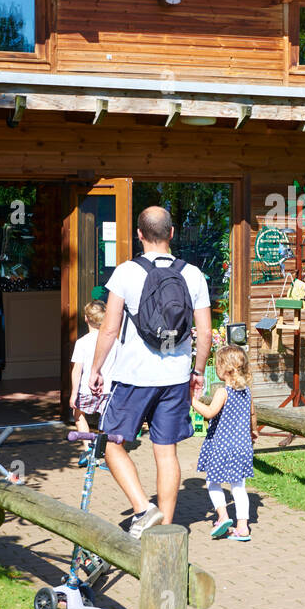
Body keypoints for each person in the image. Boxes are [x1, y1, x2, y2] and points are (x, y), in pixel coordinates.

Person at [88, 205, 211, 538]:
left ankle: (144, 508)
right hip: (174, 377)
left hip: (133, 378)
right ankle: (165, 532)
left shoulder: (126, 273)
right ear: (171, 233)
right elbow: (205, 331)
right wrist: (197, 371)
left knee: (110, 442)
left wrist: (95, 369)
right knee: (166, 450)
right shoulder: (193, 274)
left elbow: (109, 329)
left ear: (139, 235)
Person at [191, 344, 257, 541]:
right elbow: (253, 414)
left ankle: (223, 516)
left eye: (217, 364)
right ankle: (243, 527)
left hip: (222, 446)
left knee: (213, 482)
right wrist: (253, 430)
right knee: (239, 486)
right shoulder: (246, 391)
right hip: (242, 446)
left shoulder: (223, 392)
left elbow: (210, 413)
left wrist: (192, 402)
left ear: (225, 369)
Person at [68, 299, 116, 467]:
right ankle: (102, 453)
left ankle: (88, 450)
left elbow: (77, 370)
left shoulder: (82, 342)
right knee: (105, 421)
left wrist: (73, 393)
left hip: (86, 390)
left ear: (86, 319)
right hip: (108, 389)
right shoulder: (114, 342)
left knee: (79, 415)